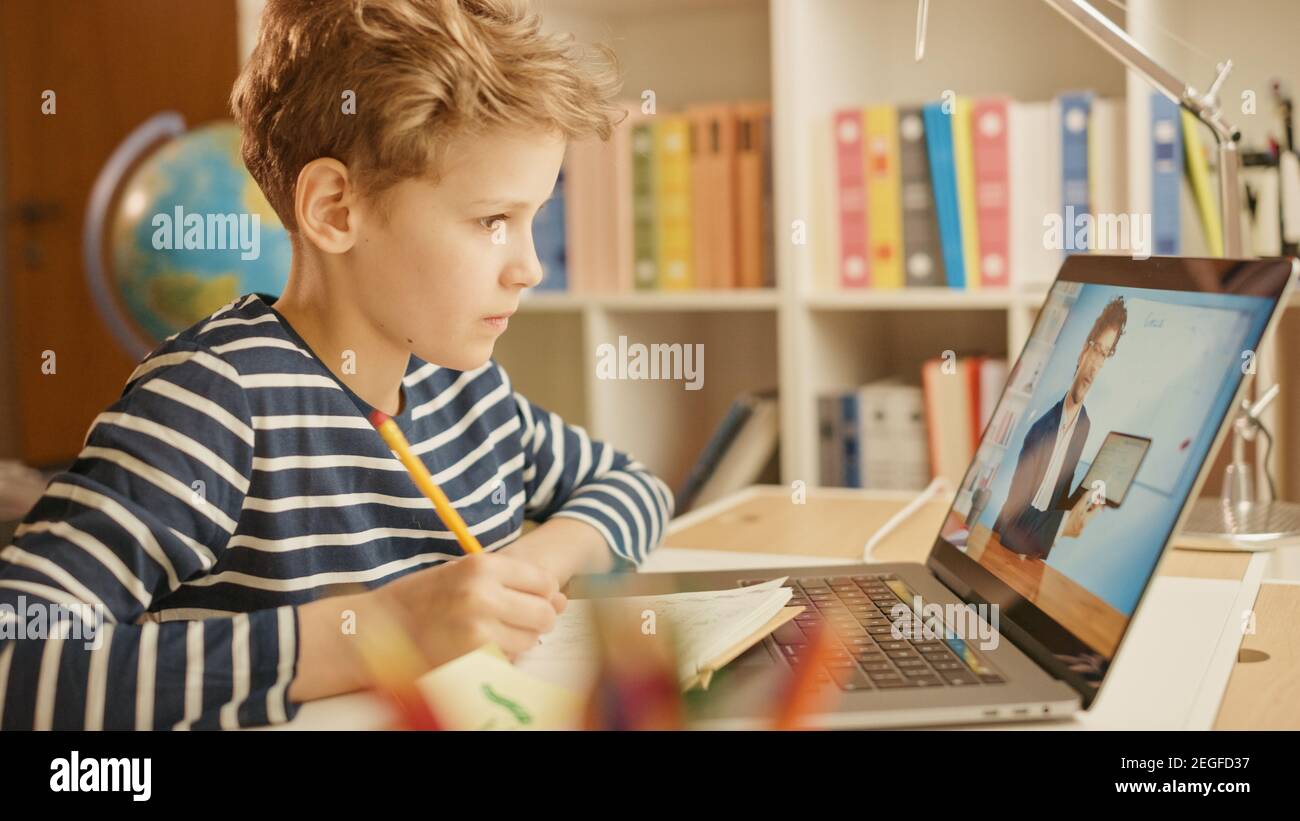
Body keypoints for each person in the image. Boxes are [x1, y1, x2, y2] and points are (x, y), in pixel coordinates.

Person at [0, 0, 672, 729]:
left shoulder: (468, 393)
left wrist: (524, 573)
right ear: (334, 209)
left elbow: (634, 488)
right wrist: (375, 633)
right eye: (491, 221)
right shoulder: (215, 400)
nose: (531, 267)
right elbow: (16, 658)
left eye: (532, 217)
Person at [993, 296, 1127, 559]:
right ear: (1082, 351)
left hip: (1032, 558)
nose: (1097, 365)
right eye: (1097, 349)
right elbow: (1012, 523)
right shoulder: (1040, 429)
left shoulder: (1084, 425)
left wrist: (1081, 505)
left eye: (1106, 354)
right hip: (1003, 552)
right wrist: (1065, 525)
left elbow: (1055, 500)